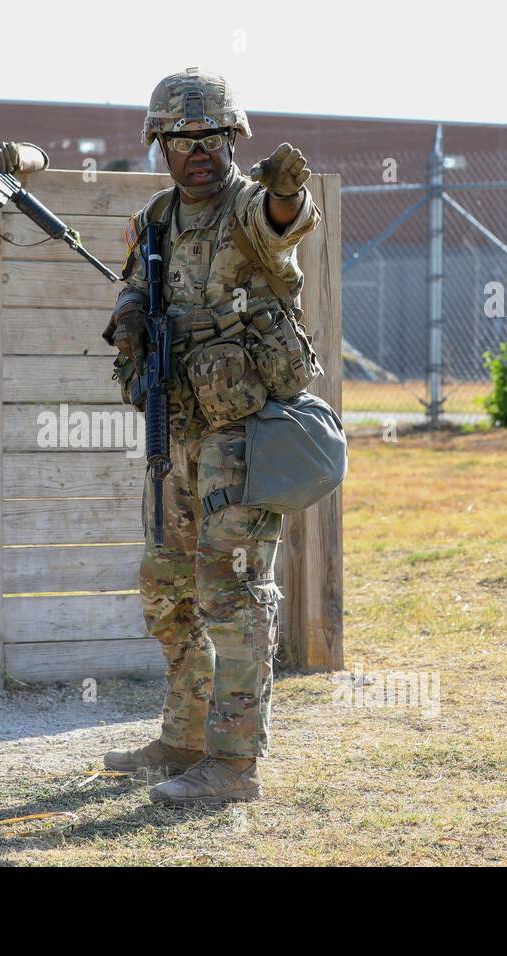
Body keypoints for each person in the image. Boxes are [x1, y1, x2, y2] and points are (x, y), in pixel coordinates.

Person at [102, 68, 323, 805]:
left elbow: (286, 222)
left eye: (211, 137)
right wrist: (131, 317)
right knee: (167, 589)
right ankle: (183, 738)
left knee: (230, 592)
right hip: (174, 429)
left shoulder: (250, 207)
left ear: (233, 138)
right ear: (160, 146)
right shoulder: (154, 220)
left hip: (241, 433)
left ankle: (233, 765)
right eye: (181, 139)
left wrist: (289, 191)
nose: (197, 151)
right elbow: (136, 287)